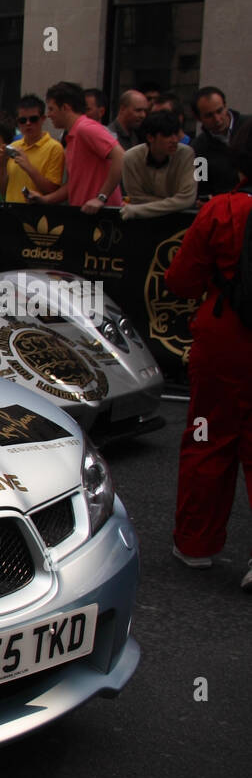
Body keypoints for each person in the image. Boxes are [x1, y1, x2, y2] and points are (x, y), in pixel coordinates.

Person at [163, 121, 252, 591]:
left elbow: (180, 280)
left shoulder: (222, 210)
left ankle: (197, 545)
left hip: (225, 338)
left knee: (207, 436)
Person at [31, 81, 123, 213]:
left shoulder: (85, 128)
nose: (49, 115)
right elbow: (74, 184)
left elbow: (120, 156)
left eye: (51, 109)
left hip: (101, 217)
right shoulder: (73, 135)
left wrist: (101, 198)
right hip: (84, 214)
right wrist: (46, 200)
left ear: (65, 108)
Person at [120, 109, 197, 219]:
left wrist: (139, 209)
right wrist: (175, 203)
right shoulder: (131, 158)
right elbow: (136, 198)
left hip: (178, 221)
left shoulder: (186, 154)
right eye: (167, 135)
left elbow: (187, 198)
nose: (174, 140)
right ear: (150, 137)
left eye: (176, 134)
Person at [0, 94, 65, 202]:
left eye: (33, 119)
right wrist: (2, 166)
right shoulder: (14, 146)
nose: (28, 124)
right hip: (11, 211)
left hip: (36, 213)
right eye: (22, 120)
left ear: (43, 119)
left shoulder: (54, 148)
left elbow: (52, 190)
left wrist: (28, 167)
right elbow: (3, 191)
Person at [192, 86, 246, 201]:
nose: (217, 119)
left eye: (219, 111)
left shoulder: (248, 127)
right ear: (198, 118)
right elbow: (202, 187)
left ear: (226, 106)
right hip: (225, 206)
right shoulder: (198, 149)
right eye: (209, 115)